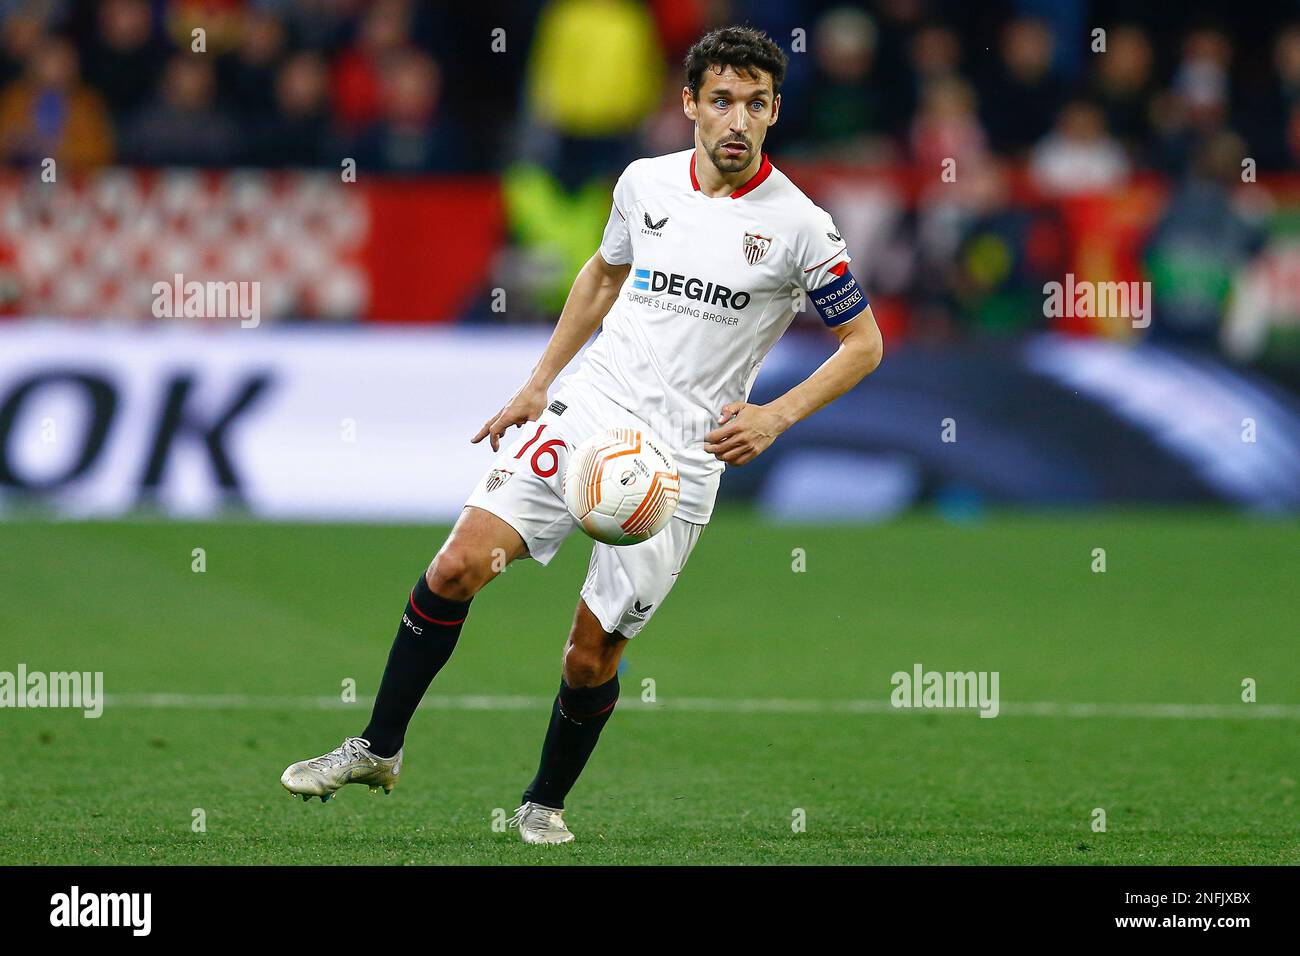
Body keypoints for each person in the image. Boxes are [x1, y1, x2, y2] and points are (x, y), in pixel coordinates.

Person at [280, 25, 884, 844]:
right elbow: (603, 274)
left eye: (754, 104)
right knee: (456, 566)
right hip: (591, 410)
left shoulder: (802, 228)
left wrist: (775, 415)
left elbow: (864, 344)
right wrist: (539, 383)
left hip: (679, 461)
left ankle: (543, 801)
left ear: (775, 111)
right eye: (720, 101)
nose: (736, 120)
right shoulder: (644, 183)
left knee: (587, 657)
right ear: (689, 106)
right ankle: (376, 747)